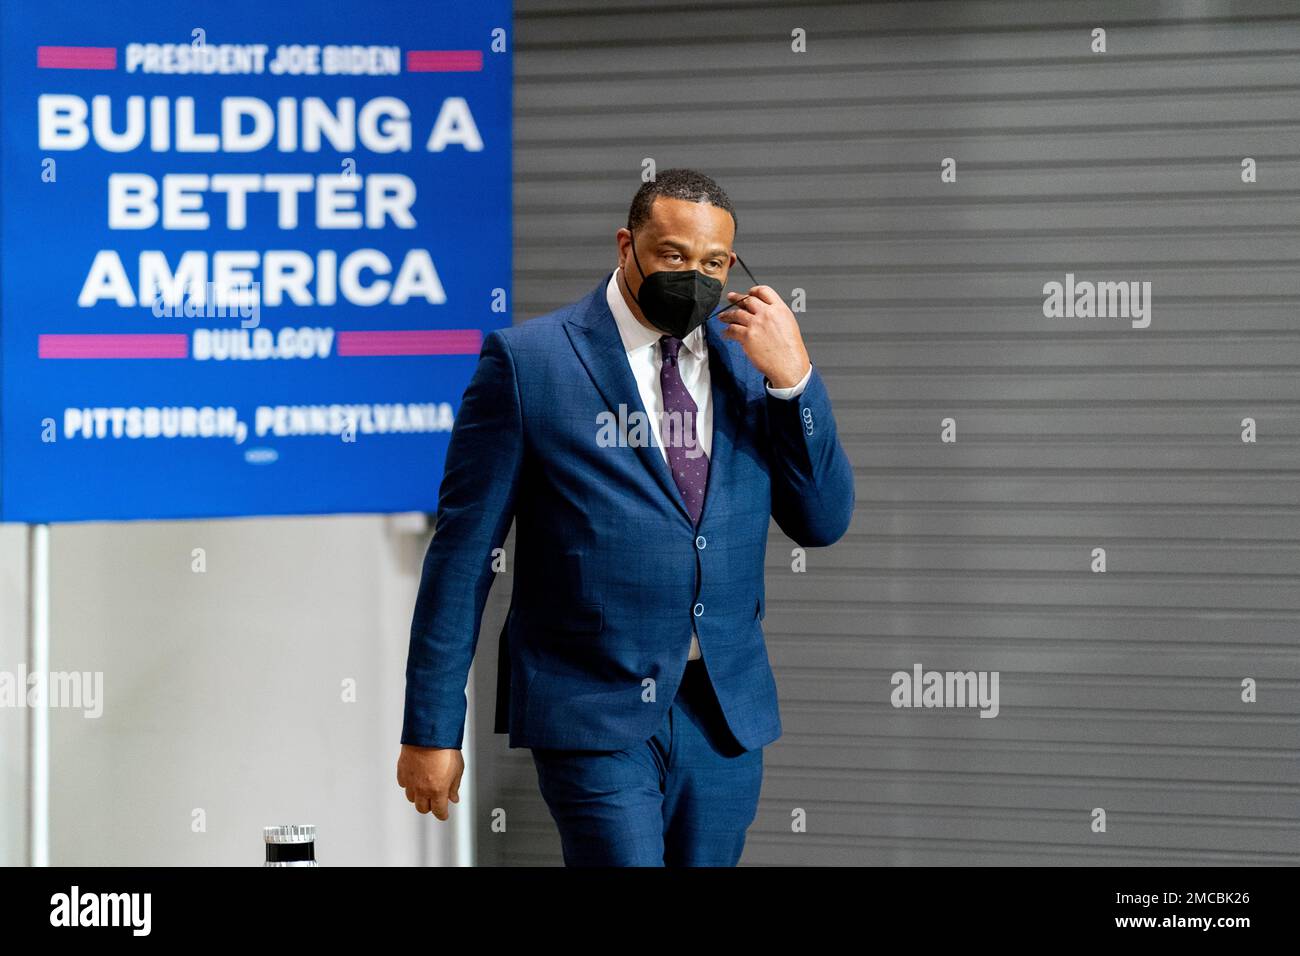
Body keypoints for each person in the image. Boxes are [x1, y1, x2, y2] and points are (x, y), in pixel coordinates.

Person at [396, 168, 855, 866]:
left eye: (713, 263)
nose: (694, 275)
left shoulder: (749, 366)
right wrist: (431, 729)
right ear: (626, 246)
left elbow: (822, 521)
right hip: (591, 710)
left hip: (722, 714)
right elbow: (461, 557)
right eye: (673, 254)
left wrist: (795, 380)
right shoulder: (530, 363)